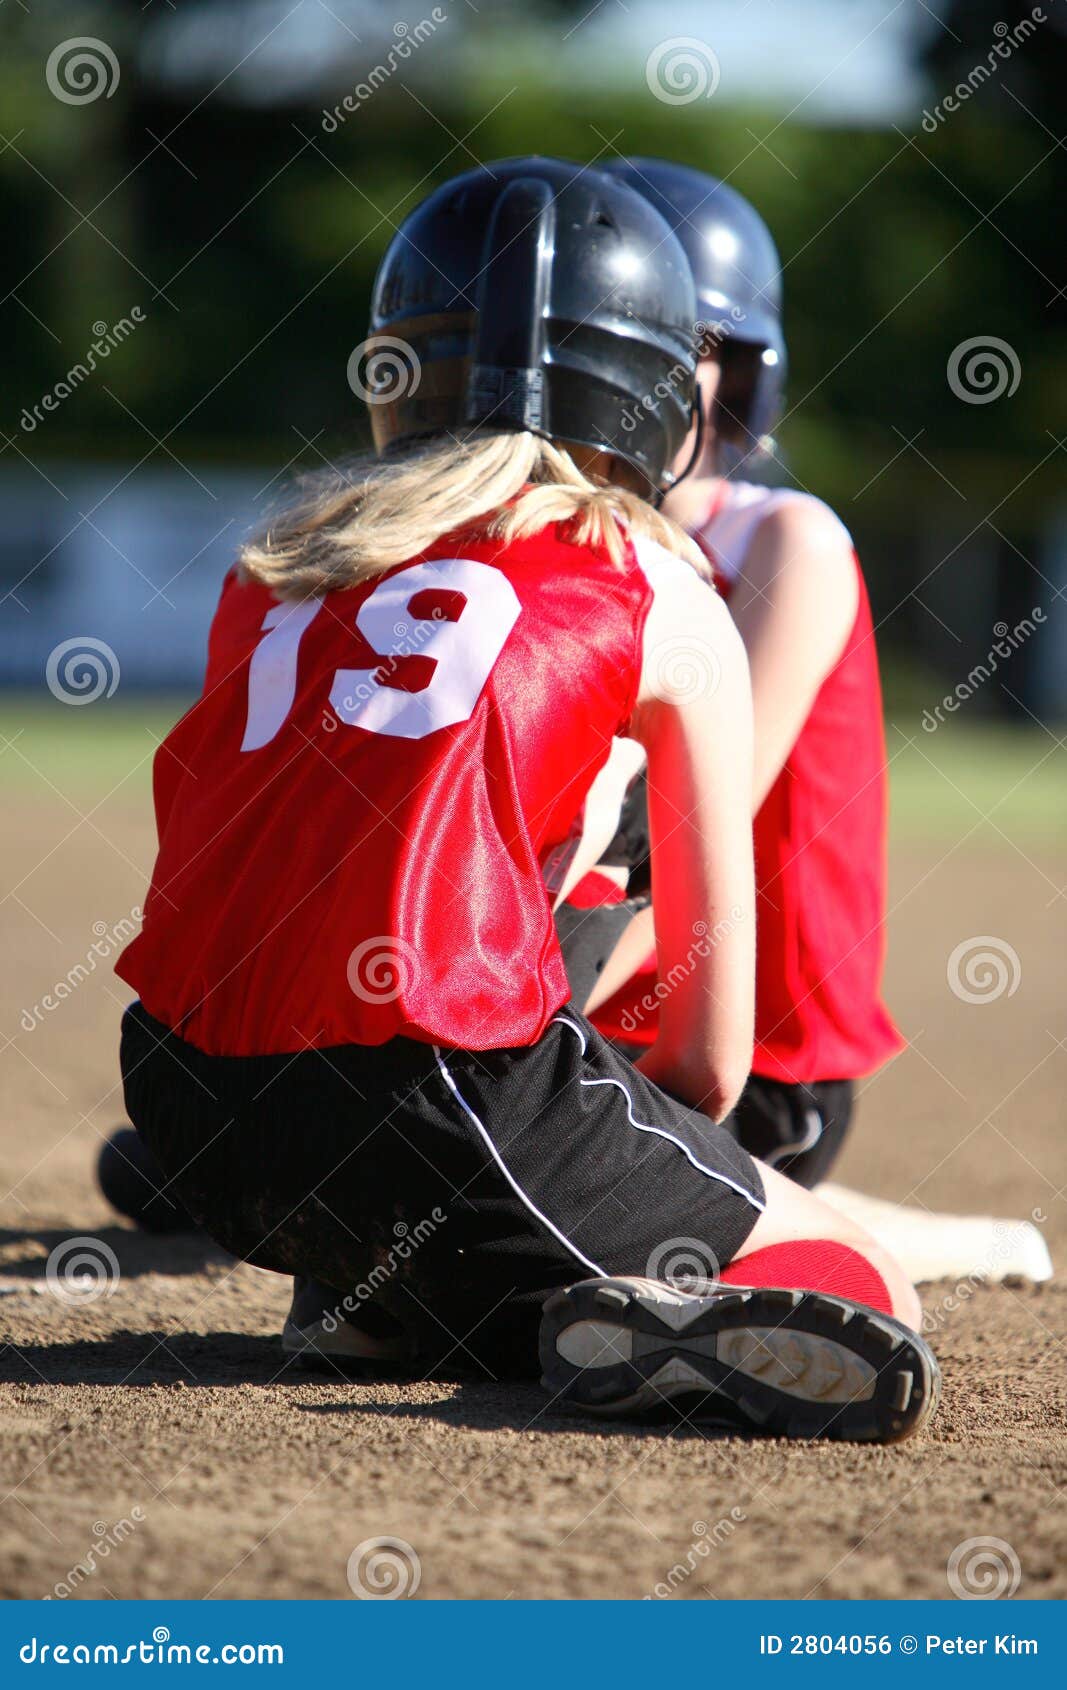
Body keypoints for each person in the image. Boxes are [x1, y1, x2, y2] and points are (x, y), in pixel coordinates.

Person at [114, 156, 936, 1441]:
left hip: (174, 1097)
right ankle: (559, 1299)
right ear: (665, 397)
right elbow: (711, 1063)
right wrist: (633, 1149)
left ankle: (385, 1287)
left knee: (447, 1174)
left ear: (399, 371)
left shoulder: (275, 563)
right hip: (429, 1088)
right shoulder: (666, 595)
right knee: (865, 1285)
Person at [557, 157, 1050, 1286]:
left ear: (733, 373)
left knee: (541, 1177)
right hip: (592, 1010)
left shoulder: (788, 544)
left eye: (675, 337)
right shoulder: (571, 541)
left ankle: (897, 1232)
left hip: (748, 1050)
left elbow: (690, 835)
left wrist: (513, 1011)